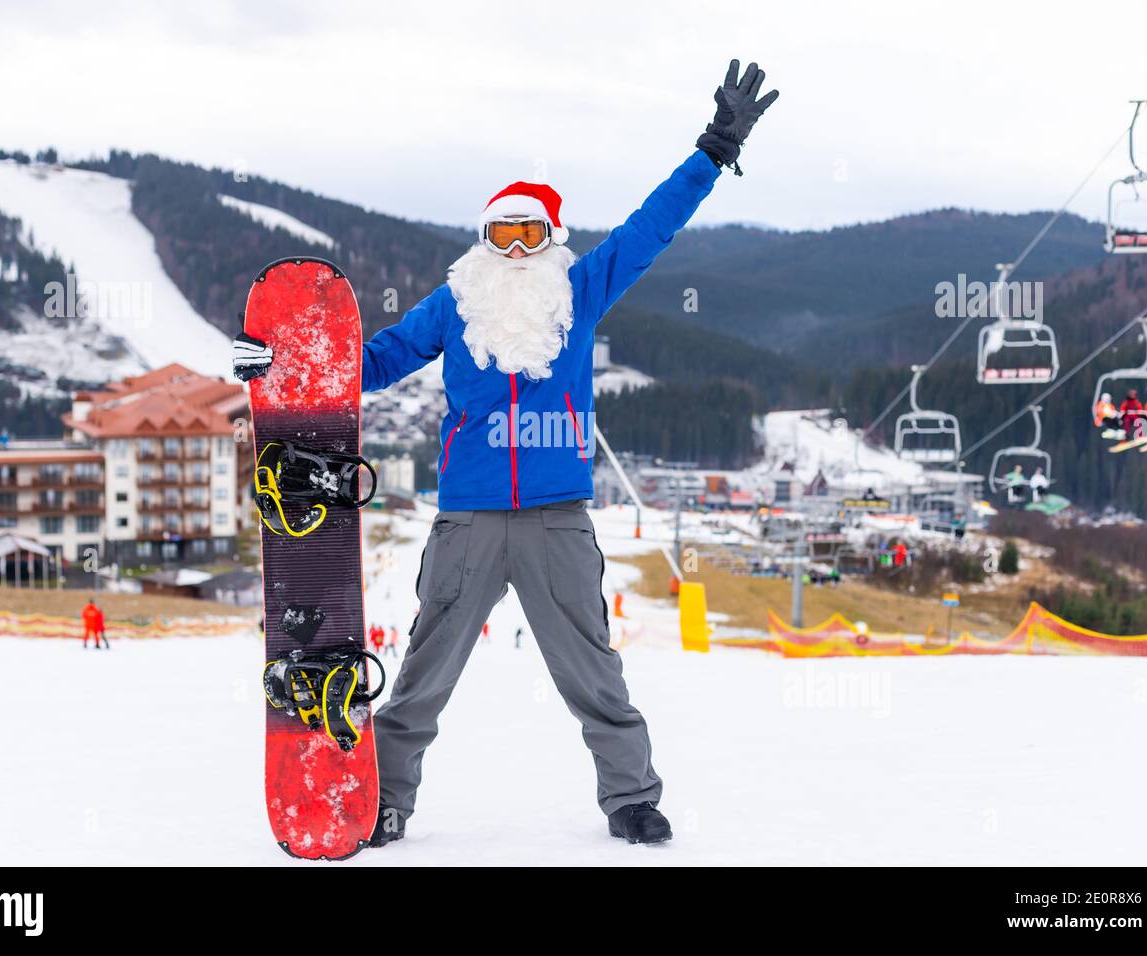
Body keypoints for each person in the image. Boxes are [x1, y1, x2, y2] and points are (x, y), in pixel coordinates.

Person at [234, 58, 779, 849]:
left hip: (558, 518)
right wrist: (282, 361)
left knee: (592, 667)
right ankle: (383, 802)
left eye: (529, 234)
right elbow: (373, 360)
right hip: (470, 520)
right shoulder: (457, 302)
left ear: (552, 239)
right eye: (501, 235)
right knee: (424, 673)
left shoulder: (581, 290)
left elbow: (649, 228)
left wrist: (712, 150)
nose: (516, 250)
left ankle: (631, 797)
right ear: (483, 243)